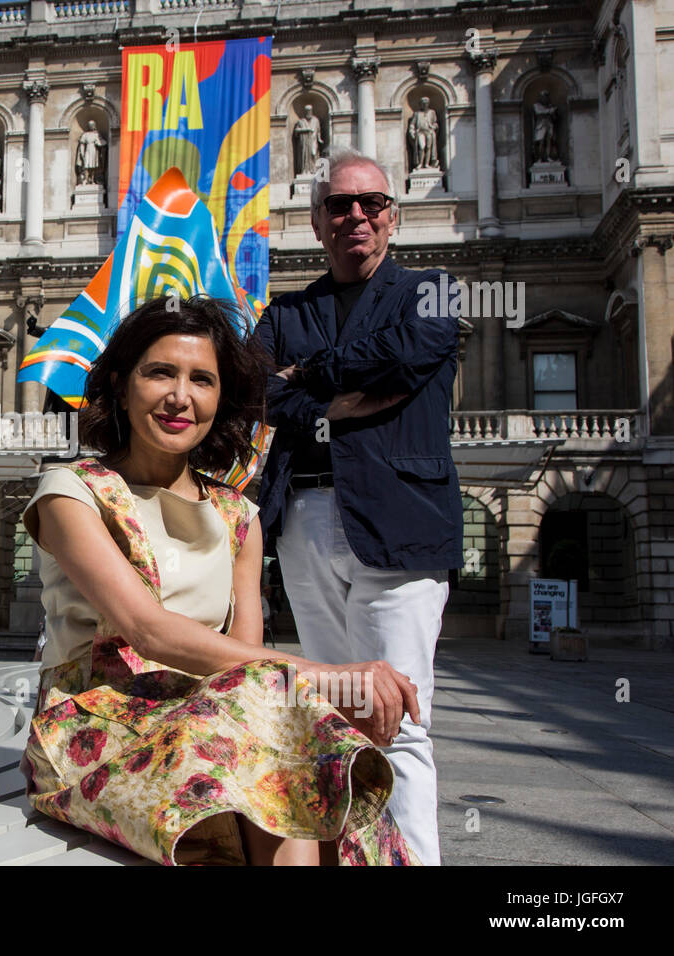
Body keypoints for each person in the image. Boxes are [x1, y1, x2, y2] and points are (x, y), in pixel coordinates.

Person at [21, 294, 421, 866]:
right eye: (160, 372)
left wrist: (321, 700)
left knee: (305, 745)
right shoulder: (72, 492)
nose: (181, 396)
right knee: (274, 729)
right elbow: (149, 631)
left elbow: (247, 658)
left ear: (220, 397)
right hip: (93, 732)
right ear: (119, 382)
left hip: (212, 719)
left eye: (202, 380)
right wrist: (330, 677)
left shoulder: (238, 515)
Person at [255, 147, 461, 866]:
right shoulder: (285, 311)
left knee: (397, 720)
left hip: (399, 518)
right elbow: (260, 391)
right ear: (316, 224)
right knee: (331, 716)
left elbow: (414, 353)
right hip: (304, 521)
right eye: (339, 205)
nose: (356, 216)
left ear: (392, 218)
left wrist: (309, 374)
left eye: (370, 203)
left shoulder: (433, 290)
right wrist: (349, 390)